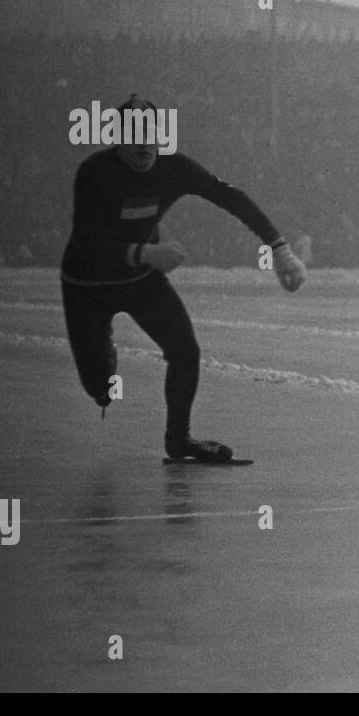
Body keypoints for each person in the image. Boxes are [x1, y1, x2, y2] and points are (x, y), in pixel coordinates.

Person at [60, 95, 306, 463]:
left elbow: (230, 197)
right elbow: (86, 246)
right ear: (116, 139)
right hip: (88, 285)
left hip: (141, 278)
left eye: (150, 134)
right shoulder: (94, 173)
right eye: (133, 135)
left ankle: (179, 440)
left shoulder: (174, 168)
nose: (144, 144)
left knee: (185, 351)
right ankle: (102, 366)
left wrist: (279, 246)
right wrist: (142, 252)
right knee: (99, 389)